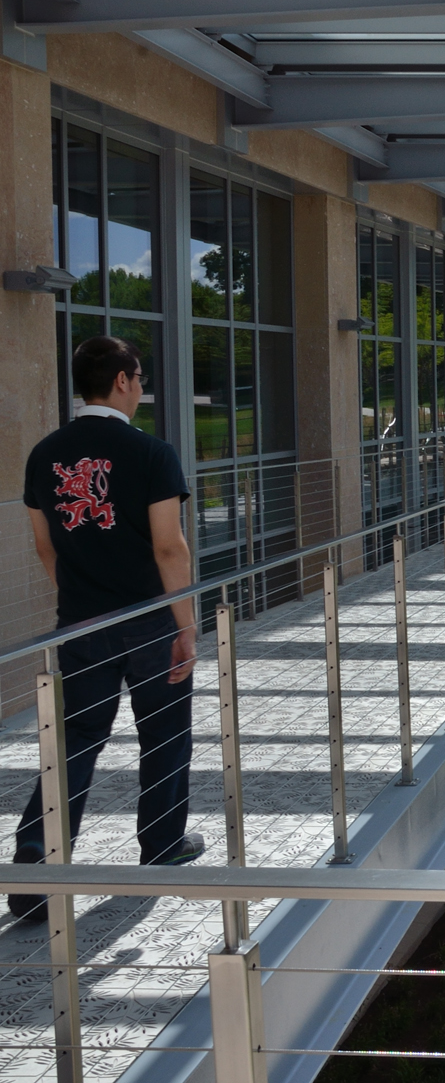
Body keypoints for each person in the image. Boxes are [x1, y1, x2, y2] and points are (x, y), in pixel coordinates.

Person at [11, 336, 203, 921]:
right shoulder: (152, 452)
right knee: (164, 733)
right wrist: (187, 625)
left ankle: (35, 860)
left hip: (81, 624)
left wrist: (82, 598)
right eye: (139, 377)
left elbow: (46, 546)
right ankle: (162, 847)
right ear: (122, 380)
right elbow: (169, 546)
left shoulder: (44, 454)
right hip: (150, 620)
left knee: (74, 740)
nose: (141, 387)